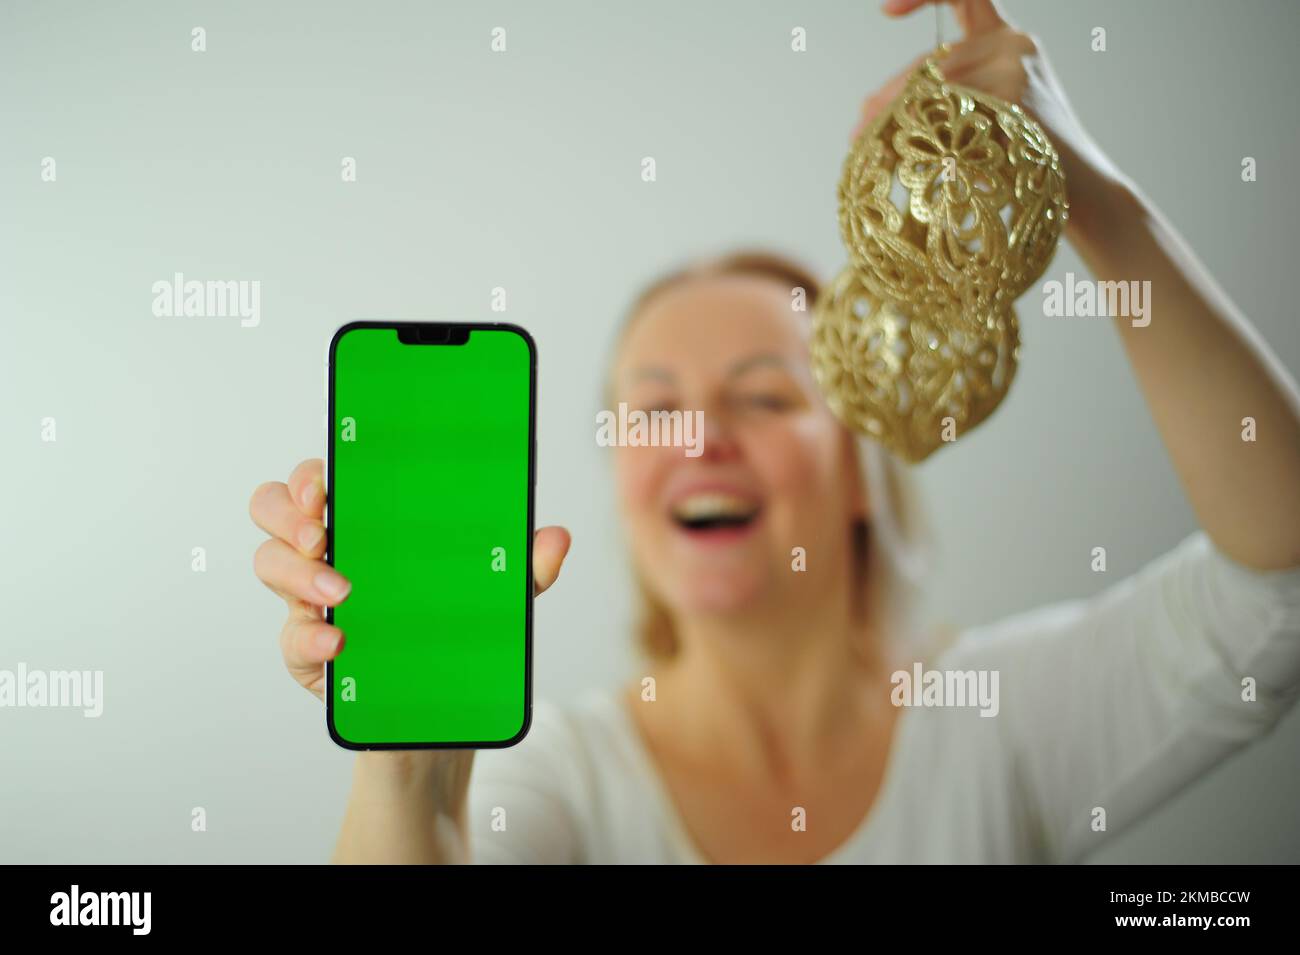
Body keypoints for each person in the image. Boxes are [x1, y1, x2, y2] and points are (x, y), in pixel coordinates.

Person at [249, 0, 1300, 864]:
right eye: (653, 407)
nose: (699, 436)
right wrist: (407, 772)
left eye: (762, 395)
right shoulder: (558, 776)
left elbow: (1282, 574)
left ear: (859, 469)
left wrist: (1094, 201)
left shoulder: (1002, 719)